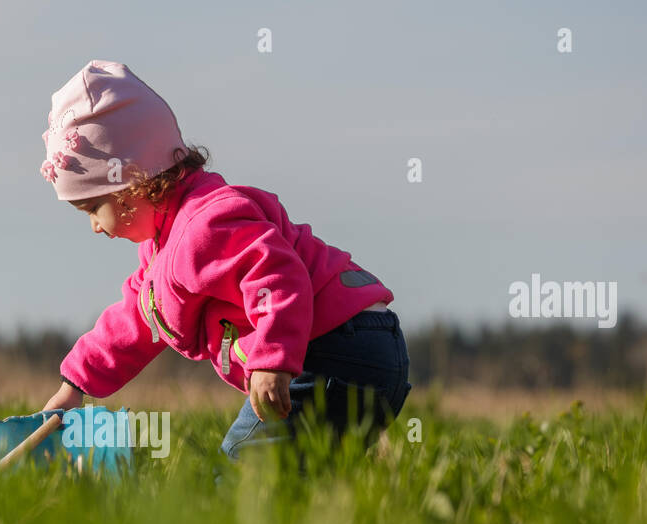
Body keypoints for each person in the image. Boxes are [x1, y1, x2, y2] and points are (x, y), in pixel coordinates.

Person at [39, 60, 411, 463]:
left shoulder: (203, 226)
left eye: (94, 207)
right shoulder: (165, 248)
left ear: (133, 180)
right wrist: (75, 382)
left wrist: (272, 360)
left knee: (241, 474)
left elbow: (279, 275)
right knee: (301, 477)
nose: (95, 226)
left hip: (335, 348)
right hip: (358, 347)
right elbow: (135, 319)